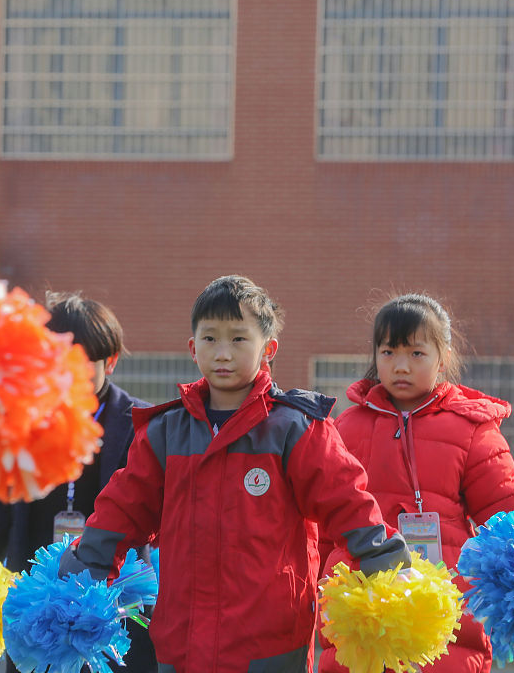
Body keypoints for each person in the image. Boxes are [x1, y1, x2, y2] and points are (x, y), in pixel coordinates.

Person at [61, 275, 410, 673]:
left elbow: (347, 500)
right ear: (193, 348)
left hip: (271, 646)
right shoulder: (164, 431)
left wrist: (385, 562)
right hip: (181, 646)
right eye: (210, 339)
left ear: (268, 349)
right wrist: (81, 573)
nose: (223, 353)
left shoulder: (295, 427)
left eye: (239, 339)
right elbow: (121, 510)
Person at [317, 293, 514, 673]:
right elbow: (322, 525)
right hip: (361, 609)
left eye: (416, 354)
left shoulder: (472, 430)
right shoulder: (345, 427)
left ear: (443, 357)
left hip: (447, 616)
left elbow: (508, 516)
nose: (401, 366)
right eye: (388, 353)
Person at [0, 292, 156, 673]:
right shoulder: (20, 423)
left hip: (112, 602)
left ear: (111, 361)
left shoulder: (140, 424)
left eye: (82, 360)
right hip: (35, 603)